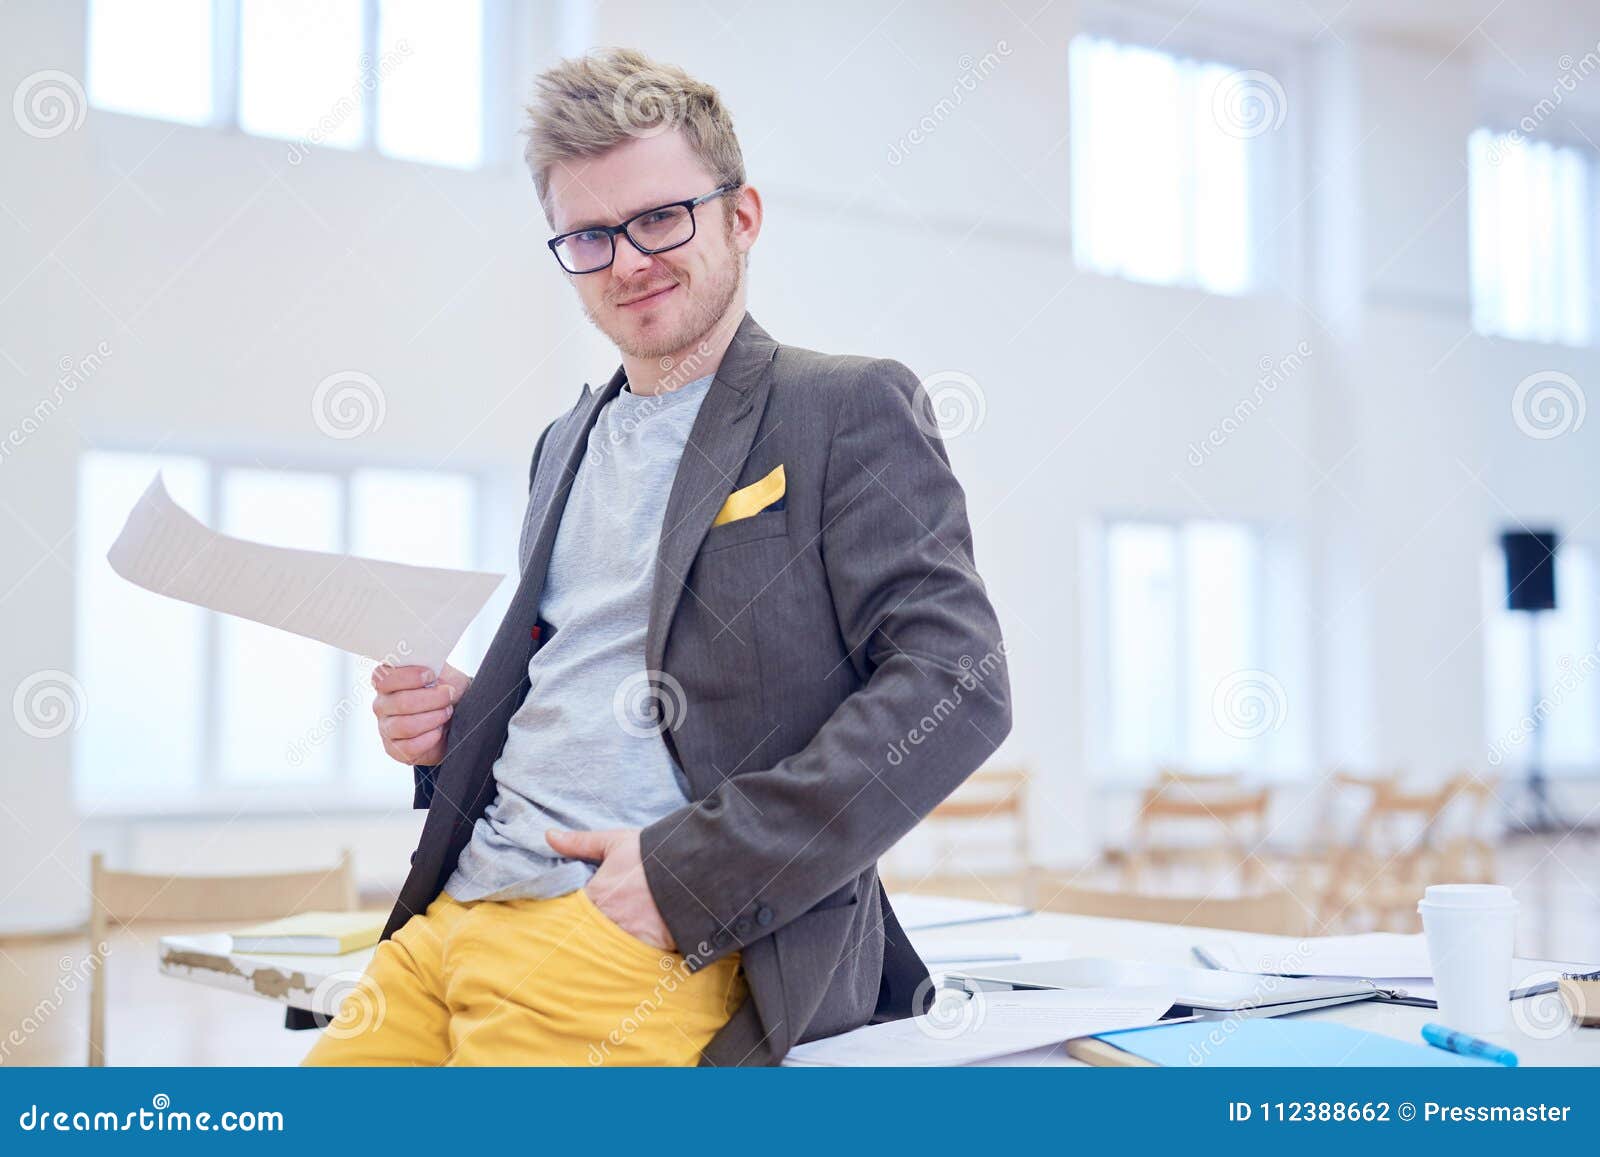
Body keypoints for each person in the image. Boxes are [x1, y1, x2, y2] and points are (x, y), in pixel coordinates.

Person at [303, 46, 1010, 1067]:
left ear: (742, 216)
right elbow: (580, 665)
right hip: (448, 911)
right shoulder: (564, 442)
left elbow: (959, 682)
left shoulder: (842, 407)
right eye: (591, 236)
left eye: (662, 218)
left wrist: (694, 870)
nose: (628, 261)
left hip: (629, 932)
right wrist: (458, 725)